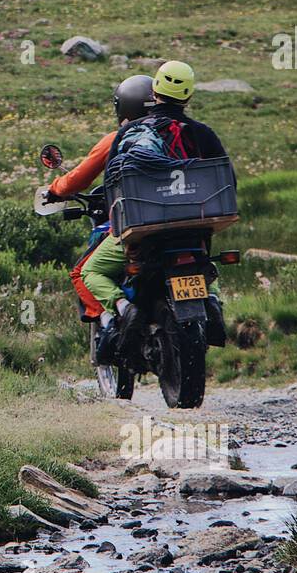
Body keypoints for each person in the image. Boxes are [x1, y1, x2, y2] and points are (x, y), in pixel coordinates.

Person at [79, 61, 228, 359]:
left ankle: (123, 307)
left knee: (90, 270)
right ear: (188, 96)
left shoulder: (129, 133)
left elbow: (112, 183)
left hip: (144, 226)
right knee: (206, 264)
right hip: (193, 223)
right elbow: (225, 177)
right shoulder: (203, 133)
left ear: (155, 91)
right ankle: (212, 299)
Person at [47, 75, 156, 322]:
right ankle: (212, 299)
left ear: (123, 107)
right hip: (185, 218)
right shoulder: (176, 132)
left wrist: (55, 189)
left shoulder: (119, 138)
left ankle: (111, 318)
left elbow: (78, 179)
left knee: (84, 271)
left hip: (136, 223)